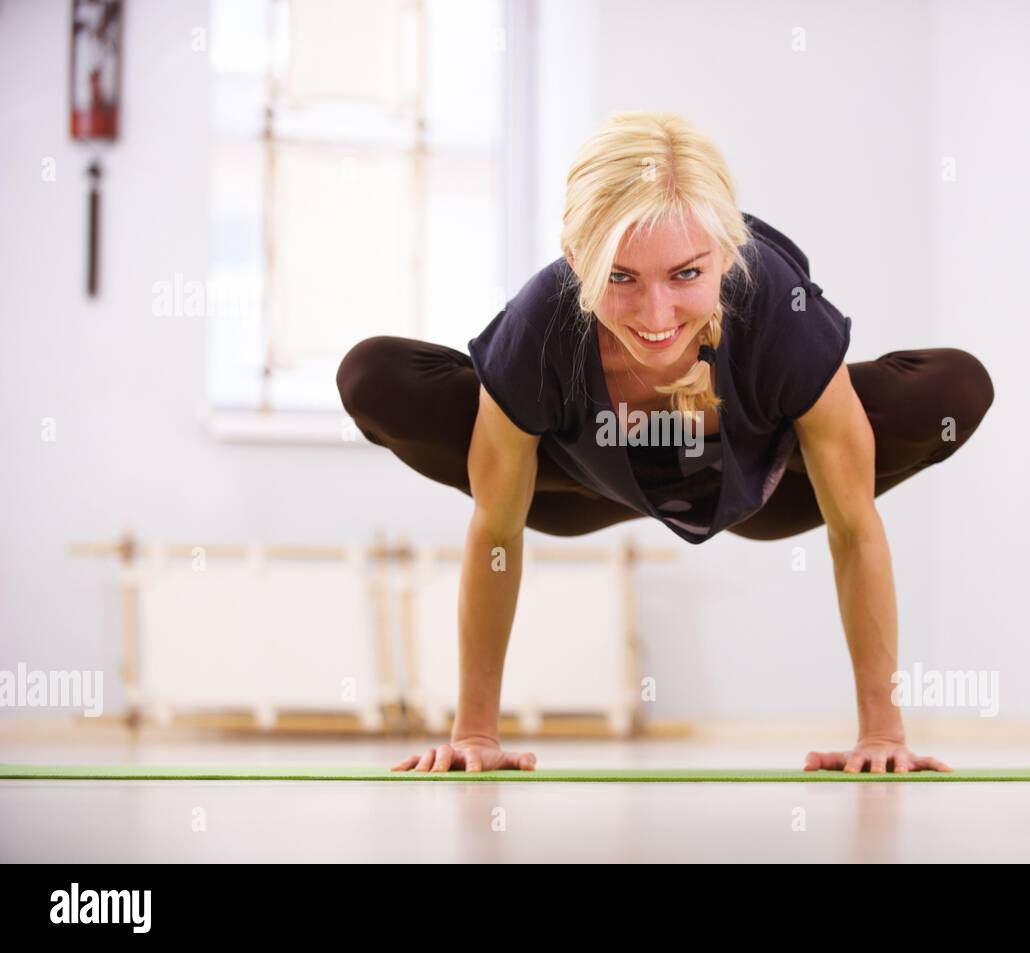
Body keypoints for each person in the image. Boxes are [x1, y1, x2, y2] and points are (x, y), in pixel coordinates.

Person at [337, 111, 994, 774]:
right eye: (620, 277)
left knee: (955, 387)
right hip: (575, 477)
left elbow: (854, 527)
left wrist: (881, 731)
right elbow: (496, 532)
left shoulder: (778, 309)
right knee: (374, 374)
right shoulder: (541, 325)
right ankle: (553, 420)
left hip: (759, 482)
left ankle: (770, 438)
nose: (657, 318)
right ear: (576, 259)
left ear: (728, 253)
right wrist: (475, 732)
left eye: (685, 274)